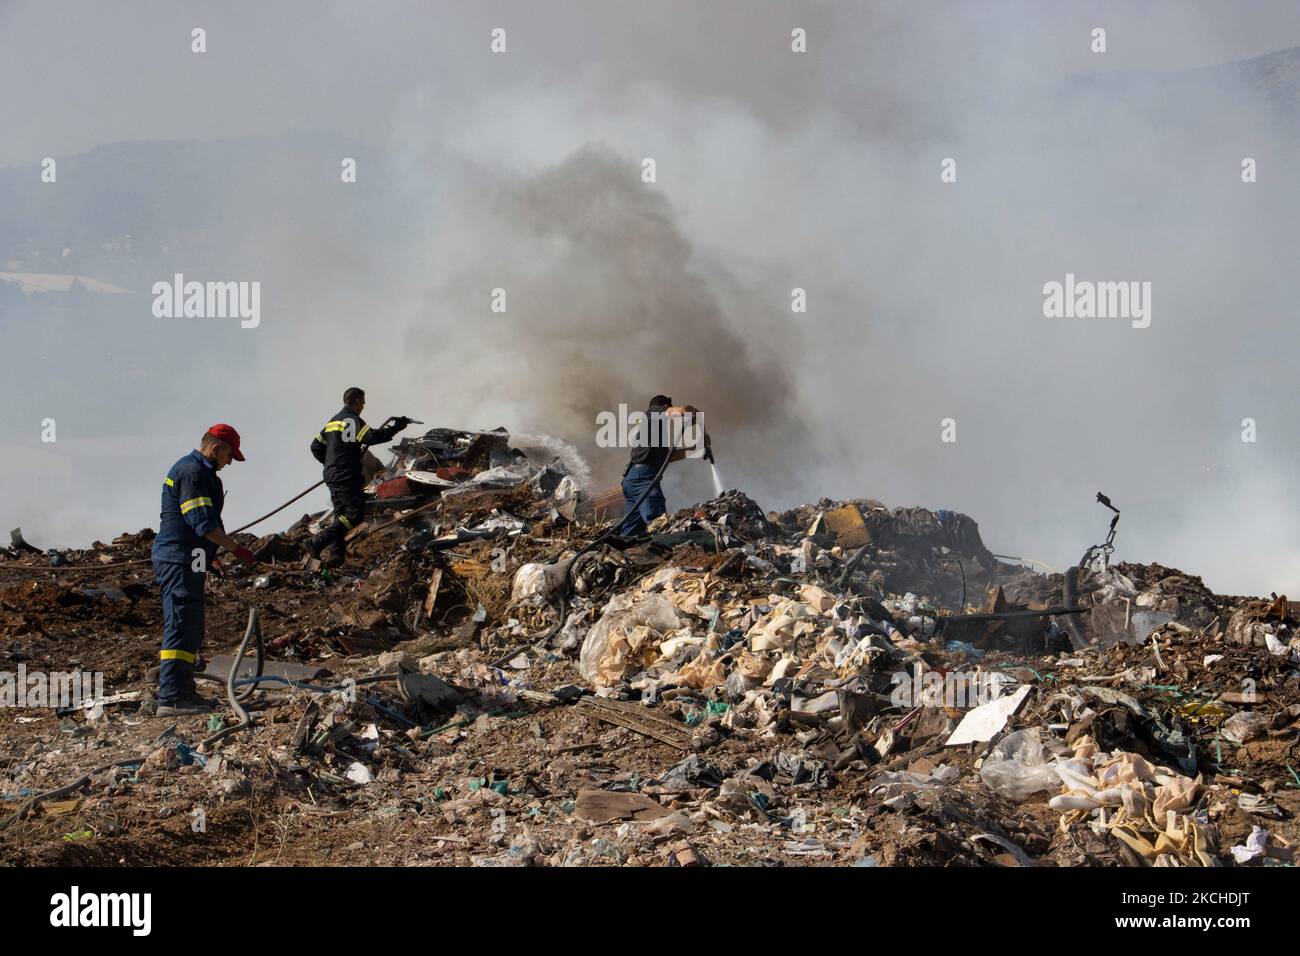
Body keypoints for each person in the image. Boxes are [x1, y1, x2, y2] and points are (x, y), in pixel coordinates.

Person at [151, 425, 255, 716]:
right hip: (177, 558)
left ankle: (184, 692)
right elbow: (203, 524)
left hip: (191, 558)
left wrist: (211, 557)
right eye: (229, 455)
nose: (230, 462)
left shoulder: (202, 473)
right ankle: (170, 698)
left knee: (192, 627)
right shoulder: (193, 474)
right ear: (215, 448)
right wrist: (237, 549)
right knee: (180, 625)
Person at [305, 387, 411, 564]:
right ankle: (317, 541)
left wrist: (330, 462)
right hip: (346, 474)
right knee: (354, 515)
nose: (363, 406)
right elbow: (372, 437)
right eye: (362, 402)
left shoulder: (333, 422)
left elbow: (315, 446)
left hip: (332, 474)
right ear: (354, 401)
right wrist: (397, 427)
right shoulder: (352, 420)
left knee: (341, 515)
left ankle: (336, 556)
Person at [618, 395, 709, 537]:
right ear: (665, 406)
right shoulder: (653, 413)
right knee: (660, 526)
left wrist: (697, 449)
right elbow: (680, 411)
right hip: (643, 479)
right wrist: (690, 412)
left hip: (632, 479)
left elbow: (669, 458)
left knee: (630, 534)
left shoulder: (652, 430)